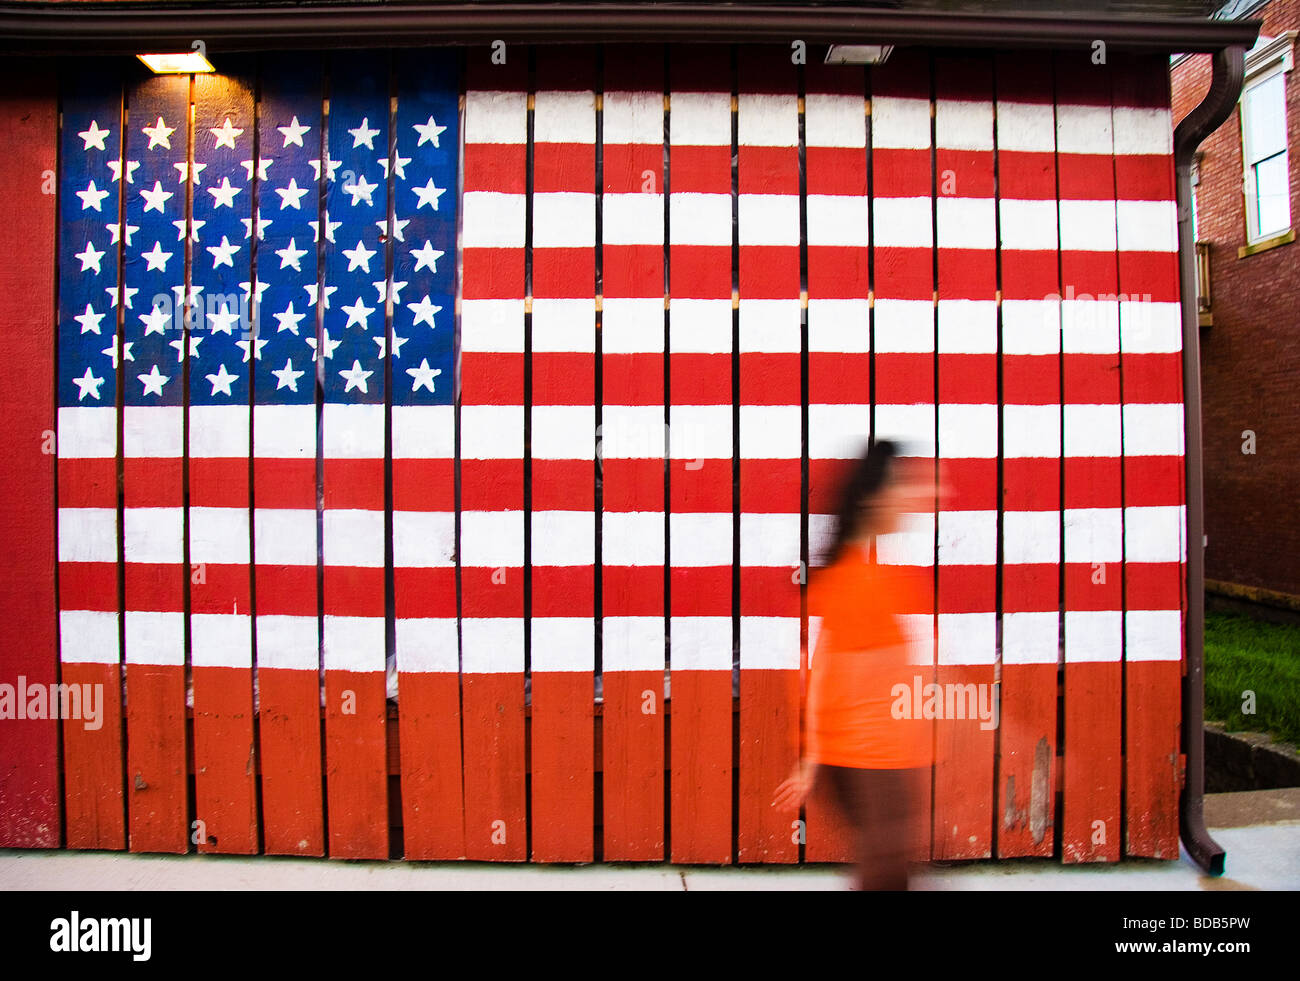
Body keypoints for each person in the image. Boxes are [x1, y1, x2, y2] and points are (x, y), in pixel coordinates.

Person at [772, 438, 937, 890]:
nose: (916, 495)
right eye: (903, 485)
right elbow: (824, 674)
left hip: (881, 759)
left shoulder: (874, 576)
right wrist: (813, 758)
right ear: (875, 498)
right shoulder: (859, 583)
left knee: (891, 872)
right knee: (886, 876)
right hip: (872, 762)